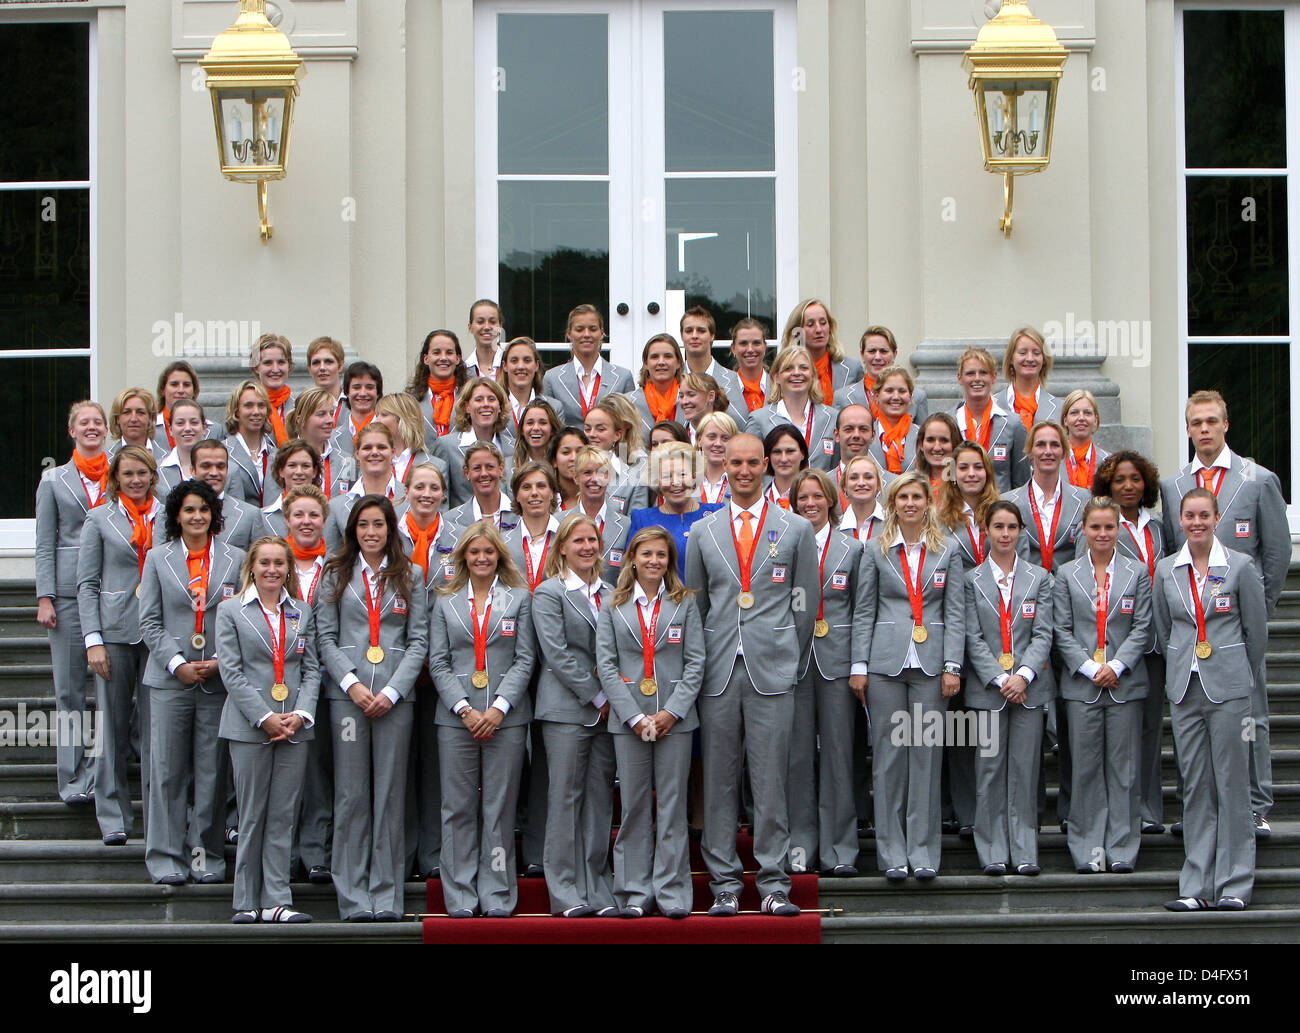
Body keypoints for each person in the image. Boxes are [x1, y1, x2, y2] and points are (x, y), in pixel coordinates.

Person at [683, 433, 819, 917]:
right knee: (719, 781)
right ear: (724, 463)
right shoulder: (703, 531)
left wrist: (787, 655)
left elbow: (804, 606)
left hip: (773, 672)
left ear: (765, 464)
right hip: (718, 673)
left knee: (770, 781)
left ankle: (774, 883)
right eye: (733, 462)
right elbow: (695, 607)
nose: (742, 471)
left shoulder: (796, 529)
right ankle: (724, 883)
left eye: (750, 463)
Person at [1159, 389, 1289, 839]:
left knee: (1251, 717)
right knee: (1194, 722)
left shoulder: (1257, 480)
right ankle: (1201, 809)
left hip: (1235, 625)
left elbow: (1275, 554)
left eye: (1212, 421)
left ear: (1226, 425)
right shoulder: (1174, 486)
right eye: (1196, 423)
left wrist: (1255, 612)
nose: (1205, 430)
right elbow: (1172, 558)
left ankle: (1254, 805)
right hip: (1192, 628)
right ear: (1188, 428)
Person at [317, 496, 428, 921]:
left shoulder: (411, 575)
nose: (370, 533)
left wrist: (394, 692)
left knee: (390, 796)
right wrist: (353, 685)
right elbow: (325, 637)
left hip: (395, 700)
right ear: (352, 531)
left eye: (378, 524)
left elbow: (419, 640)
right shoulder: (335, 573)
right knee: (351, 795)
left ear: (390, 528)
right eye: (362, 525)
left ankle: (386, 896)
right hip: (348, 698)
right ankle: (352, 897)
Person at [1154, 488, 1266, 912]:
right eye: (1189, 516)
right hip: (1185, 688)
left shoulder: (1239, 566)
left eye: (1204, 515)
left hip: (1230, 690)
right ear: (1180, 521)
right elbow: (1166, 633)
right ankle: (1196, 884)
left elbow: (1255, 634)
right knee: (1196, 785)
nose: (1197, 522)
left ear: (1217, 518)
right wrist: (1187, 663)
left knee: (1232, 784)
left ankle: (1235, 883)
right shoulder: (1167, 570)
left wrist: (1236, 673)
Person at [857, 472, 965, 880]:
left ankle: (922, 853)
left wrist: (953, 665)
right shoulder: (875, 550)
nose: (910, 503)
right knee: (888, 760)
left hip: (932, 665)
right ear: (893, 503)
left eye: (917, 496)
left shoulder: (947, 550)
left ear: (928, 501)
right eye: (903, 496)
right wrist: (859, 667)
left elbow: (956, 613)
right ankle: (892, 854)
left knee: (926, 758)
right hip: (885, 664)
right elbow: (864, 610)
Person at [427, 521, 537, 916]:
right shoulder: (444, 601)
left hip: (505, 717)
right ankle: (459, 895)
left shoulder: (519, 599)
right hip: (456, 718)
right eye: (474, 552)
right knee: (456, 807)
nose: (481, 558)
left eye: (488, 552)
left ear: (499, 556)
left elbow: (526, 659)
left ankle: (496, 894)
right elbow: (437, 662)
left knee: (499, 808)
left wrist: (498, 708)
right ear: (462, 557)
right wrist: (465, 709)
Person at [138, 479, 243, 884]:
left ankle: (205, 856)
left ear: (213, 515)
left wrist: (222, 661)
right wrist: (177, 662)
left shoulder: (234, 558)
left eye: (203, 509)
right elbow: (149, 620)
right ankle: (165, 856)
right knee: (167, 771)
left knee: (212, 774)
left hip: (218, 681)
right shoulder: (157, 559)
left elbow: (243, 618)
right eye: (188, 510)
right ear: (176, 516)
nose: (196, 516)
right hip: (170, 682)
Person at [597, 526, 705, 918]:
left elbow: (696, 662)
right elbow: (606, 666)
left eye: (661, 555)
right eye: (647, 554)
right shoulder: (612, 603)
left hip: (675, 719)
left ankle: (673, 892)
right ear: (632, 559)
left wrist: (671, 712)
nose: (654, 561)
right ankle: (633, 892)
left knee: (673, 807)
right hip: (629, 721)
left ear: (670, 561)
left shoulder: (684, 602)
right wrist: (634, 715)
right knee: (634, 806)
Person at [216, 537, 320, 924]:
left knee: (283, 815)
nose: (273, 570)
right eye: (265, 563)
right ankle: (246, 900)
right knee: (252, 815)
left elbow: (311, 669)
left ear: (288, 568)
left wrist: (301, 713)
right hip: (249, 727)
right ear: (252, 568)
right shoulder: (231, 611)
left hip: (294, 727)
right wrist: (264, 716)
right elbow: (231, 670)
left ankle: (277, 899)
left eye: (280, 563)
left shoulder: (302, 611)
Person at [1053, 496, 1152, 874]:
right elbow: (1061, 629)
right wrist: (1089, 667)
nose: (1102, 533)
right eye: (1095, 526)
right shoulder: (1066, 573)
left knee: (1123, 769)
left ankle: (1122, 847)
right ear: (1083, 530)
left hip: (1124, 683)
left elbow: (1143, 627)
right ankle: (1087, 849)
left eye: (1109, 526)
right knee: (1086, 768)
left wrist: (1116, 664)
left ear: (1119, 529)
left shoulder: (1137, 572)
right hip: (1082, 685)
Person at [1003, 420, 1090, 830]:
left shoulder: (1085, 500)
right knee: (1030, 720)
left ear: (1065, 451)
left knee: (1075, 719)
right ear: (1029, 452)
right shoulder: (1011, 501)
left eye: (1056, 444)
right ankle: (1029, 815)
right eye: (1041, 444)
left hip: (1074, 617)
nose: (1049, 451)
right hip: (1026, 619)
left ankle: (1073, 811)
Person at [962, 500, 1055, 876]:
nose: (1004, 534)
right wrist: (1002, 678)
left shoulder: (1040, 578)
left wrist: (1024, 675)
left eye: (1011, 527)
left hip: (1029, 689)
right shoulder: (970, 580)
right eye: (998, 527)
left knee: (1024, 771)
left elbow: (1043, 633)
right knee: (989, 769)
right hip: (989, 690)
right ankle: (992, 850)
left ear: (1020, 532)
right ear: (986, 530)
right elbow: (971, 635)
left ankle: (1024, 849)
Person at [533, 513, 618, 916]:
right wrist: (599, 697)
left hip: (608, 712)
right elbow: (558, 655)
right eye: (578, 540)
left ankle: (597, 888)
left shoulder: (613, 591)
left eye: (592, 540)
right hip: (568, 709)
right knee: (565, 799)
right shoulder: (549, 593)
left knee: (599, 800)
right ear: (562, 547)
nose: (587, 547)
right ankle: (565, 892)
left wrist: (614, 699)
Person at [76, 444, 161, 846]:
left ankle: (156, 814)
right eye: (128, 474)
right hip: (114, 632)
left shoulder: (168, 516)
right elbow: (86, 584)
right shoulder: (98, 519)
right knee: (111, 725)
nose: (136, 480)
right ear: (116, 479)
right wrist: (93, 640)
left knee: (155, 729)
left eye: (142, 472)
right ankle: (113, 815)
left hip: (158, 634)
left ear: (152, 475)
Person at [789, 468, 869, 875]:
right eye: (802, 498)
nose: (810, 505)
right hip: (795, 664)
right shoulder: (784, 545)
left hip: (838, 663)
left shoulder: (852, 549)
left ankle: (841, 851)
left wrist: (859, 664)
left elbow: (863, 610)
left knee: (839, 756)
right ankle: (801, 849)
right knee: (798, 758)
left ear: (831, 501)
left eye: (817, 497)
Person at [36, 400, 110, 804]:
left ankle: (102, 773)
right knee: (69, 691)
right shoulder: (53, 480)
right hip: (65, 595)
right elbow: (45, 543)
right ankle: (72, 778)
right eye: (84, 422)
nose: (92, 428)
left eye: (98, 422)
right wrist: (44, 597)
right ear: (72, 431)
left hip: (108, 591)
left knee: (107, 691)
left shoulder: (120, 474)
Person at [1097, 450, 1169, 834]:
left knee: (1150, 729)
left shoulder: (1157, 528)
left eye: (1135, 479)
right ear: (1108, 485)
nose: (1128, 486)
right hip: (1114, 645)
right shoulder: (1102, 525)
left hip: (1156, 642)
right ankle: (1113, 811)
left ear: (1147, 484)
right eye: (1120, 480)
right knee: (1114, 735)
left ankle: (1149, 809)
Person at [505, 462, 562, 876]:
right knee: (509, 757)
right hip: (508, 659)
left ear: (553, 494)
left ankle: (541, 851)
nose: (536, 493)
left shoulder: (570, 538)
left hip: (557, 662)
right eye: (528, 487)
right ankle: (505, 846)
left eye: (543, 486)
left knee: (546, 760)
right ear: (517, 495)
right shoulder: (502, 542)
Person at [280, 484, 334, 885]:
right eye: (299, 515)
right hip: (280, 682)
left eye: (313, 515)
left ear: (324, 520)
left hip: (328, 682)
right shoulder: (270, 563)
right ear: (286, 519)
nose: (306, 522)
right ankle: (283, 854)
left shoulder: (336, 567)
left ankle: (315, 852)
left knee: (317, 773)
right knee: (283, 774)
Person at [629, 441, 725, 577]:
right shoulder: (643, 519)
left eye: (682, 474)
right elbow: (631, 569)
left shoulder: (718, 513)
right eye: (667, 476)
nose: (676, 482)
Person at [746, 345, 838, 471]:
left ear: (813, 376)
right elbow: (749, 466)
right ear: (776, 377)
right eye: (788, 368)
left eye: (804, 368)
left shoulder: (833, 418)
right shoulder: (759, 420)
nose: (796, 373)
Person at [948, 347, 1028, 492]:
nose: (977, 378)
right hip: (958, 509)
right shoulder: (949, 422)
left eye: (983, 373)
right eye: (970, 373)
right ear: (960, 378)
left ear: (994, 377)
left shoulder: (1012, 424)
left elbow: (1021, 483)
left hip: (998, 509)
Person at [541, 304, 636, 425]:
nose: (586, 334)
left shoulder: (623, 377)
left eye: (592, 329)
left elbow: (630, 426)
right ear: (569, 333)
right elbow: (546, 424)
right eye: (579, 329)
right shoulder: (552, 378)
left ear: (602, 333)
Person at [433, 377, 514, 508]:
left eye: (491, 399)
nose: (486, 404)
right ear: (467, 407)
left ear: (500, 407)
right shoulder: (447, 446)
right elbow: (441, 497)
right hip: (464, 525)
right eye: (479, 399)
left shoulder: (514, 447)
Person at [325, 423, 405, 552]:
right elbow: (332, 557)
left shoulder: (410, 499)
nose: (374, 452)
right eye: (367, 448)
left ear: (393, 452)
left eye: (381, 447)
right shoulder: (336, 507)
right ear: (357, 454)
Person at [779, 298, 862, 408]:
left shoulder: (852, 368)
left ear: (830, 327)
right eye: (810, 324)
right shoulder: (785, 371)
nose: (819, 329)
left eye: (823, 323)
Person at [844, 324, 928, 421]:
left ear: (894, 354)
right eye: (872, 351)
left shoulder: (917, 396)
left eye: (883, 351)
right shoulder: (843, 397)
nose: (878, 357)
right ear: (862, 355)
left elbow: (921, 434)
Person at [938, 441, 1000, 571]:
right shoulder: (939, 520)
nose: (971, 473)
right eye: (963, 468)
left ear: (987, 472)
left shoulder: (1002, 513)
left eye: (978, 467)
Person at [573, 446, 631, 584]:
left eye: (601, 472)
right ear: (576, 477)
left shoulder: (626, 524)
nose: (595, 479)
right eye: (587, 473)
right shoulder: (560, 521)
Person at [192, 439, 259, 551]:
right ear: (192, 470)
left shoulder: (251, 515)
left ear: (227, 470)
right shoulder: (176, 511)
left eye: (220, 466)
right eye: (206, 466)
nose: (214, 473)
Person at [583, 399, 647, 514]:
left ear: (618, 434)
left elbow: (637, 525)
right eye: (587, 429)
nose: (592, 434)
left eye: (601, 429)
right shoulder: (572, 468)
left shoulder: (635, 478)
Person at [407, 329, 468, 449]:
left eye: (449, 352)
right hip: (423, 465)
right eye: (436, 352)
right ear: (426, 359)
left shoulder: (470, 397)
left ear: (457, 358)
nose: (443, 358)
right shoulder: (410, 401)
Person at [444, 441, 516, 540]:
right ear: (467, 472)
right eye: (477, 468)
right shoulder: (450, 520)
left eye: (490, 467)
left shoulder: (522, 514)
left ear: (501, 469)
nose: (484, 473)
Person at [497, 337, 565, 439]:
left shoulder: (554, 407)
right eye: (514, 360)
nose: (520, 366)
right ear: (505, 366)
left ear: (536, 365)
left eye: (527, 360)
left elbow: (558, 447)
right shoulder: (495, 406)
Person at [222, 380, 276, 507]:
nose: (256, 411)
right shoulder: (223, 452)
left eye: (261, 405)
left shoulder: (277, 453)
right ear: (236, 411)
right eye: (248, 405)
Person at [287, 386, 347, 497]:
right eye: (321, 414)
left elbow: (350, 504)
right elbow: (273, 507)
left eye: (331, 414)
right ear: (301, 420)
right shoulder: (282, 458)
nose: (330, 420)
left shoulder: (347, 461)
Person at [377, 391, 445, 489]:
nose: (377, 421)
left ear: (403, 418)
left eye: (384, 414)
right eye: (377, 415)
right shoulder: (372, 462)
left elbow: (440, 502)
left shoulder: (437, 465)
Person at [681, 305, 744, 405]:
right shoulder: (673, 379)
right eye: (688, 331)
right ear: (682, 336)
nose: (694, 336)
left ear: (712, 336)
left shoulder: (735, 380)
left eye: (701, 331)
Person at [1002, 326, 1062, 430]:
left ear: (1044, 359)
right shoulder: (995, 404)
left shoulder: (1060, 408)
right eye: (1023, 353)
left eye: (1036, 353)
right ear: (1011, 358)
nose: (1030, 358)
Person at [258, 440, 322, 536]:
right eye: (292, 465)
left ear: (314, 472)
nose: (299, 472)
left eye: (305, 466)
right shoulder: (261, 517)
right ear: (281, 471)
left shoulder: (328, 514)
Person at [630, 333, 685, 440]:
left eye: (668, 356)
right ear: (646, 363)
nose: (661, 362)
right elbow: (623, 446)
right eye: (654, 357)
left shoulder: (692, 401)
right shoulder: (629, 403)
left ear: (678, 362)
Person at [154, 361, 218, 450]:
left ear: (194, 390)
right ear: (162, 389)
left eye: (186, 385)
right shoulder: (149, 428)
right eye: (174, 384)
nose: (181, 390)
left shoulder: (215, 431)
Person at [868, 366, 920, 477]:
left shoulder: (923, 435)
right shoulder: (865, 436)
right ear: (877, 396)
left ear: (910, 396)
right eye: (889, 390)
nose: (896, 397)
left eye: (902, 391)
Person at [329, 361, 384, 459]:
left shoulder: (388, 434)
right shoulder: (330, 438)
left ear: (378, 393)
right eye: (356, 387)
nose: (363, 393)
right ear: (347, 392)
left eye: (369, 387)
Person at [831, 404, 880, 509]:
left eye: (863, 429)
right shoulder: (822, 484)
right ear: (836, 435)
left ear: (873, 435)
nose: (856, 435)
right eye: (849, 429)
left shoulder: (892, 484)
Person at [156, 399, 208, 496]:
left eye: (194, 422)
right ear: (171, 429)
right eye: (180, 423)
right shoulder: (156, 471)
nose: (187, 428)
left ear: (204, 428)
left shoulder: (229, 470)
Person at [251, 333, 294, 446]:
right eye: (268, 363)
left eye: (281, 362)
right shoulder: (245, 408)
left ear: (289, 365)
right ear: (256, 367)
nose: (275, 369)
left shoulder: (300, 408)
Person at [1062, 389, 1109, 490]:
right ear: (1065, 420)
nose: (1081, 418)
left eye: (1087, 413)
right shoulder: (1053, 460)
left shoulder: (1108, 462)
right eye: (1074, 413)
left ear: (1096, 420)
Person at [106, 387, 164, 463]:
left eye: (140, 412)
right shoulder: (104, 460)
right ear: (117, 419)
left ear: (150, 417)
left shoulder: (168, 459)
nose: (133, 419)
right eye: (127, 412)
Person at [838, 455, 886, 540]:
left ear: (878, 484)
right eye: (854, 478)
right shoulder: (833, 527)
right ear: (844, 485)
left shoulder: (895, 524)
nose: (861, 483)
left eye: (868, 477)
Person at [761, 424, 809, 511]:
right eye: (777, 452)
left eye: (790, 451)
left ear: (802, 454)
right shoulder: (759, 499)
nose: (783, 459)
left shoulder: (815, 499)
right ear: (768, 457)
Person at [730, 317, 772, 413]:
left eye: (756, 343)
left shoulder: (780, 388)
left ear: (764, 347)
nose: (750, 349)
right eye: (743, 343)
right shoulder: (723, 391)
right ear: (733, 348)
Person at [695, 411, 738, 505]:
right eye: (711, 437)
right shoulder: (686, 479)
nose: (718, 443)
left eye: (725, 438)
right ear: (699, 440)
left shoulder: (741, 480)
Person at [913, 412, 961, 495]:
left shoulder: (965, 484)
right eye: (930, 440)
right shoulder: (911, 485)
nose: (937, 448)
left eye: (944, 440)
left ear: (955, 443)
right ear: (921, 444)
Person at [677, 372, 730, 444]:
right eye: (681, 396)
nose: (684, 402)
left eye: (691, 395)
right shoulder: (675, 438)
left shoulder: (733, 438)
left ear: (711, 396)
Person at [548, 427, 589, 515]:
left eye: (580, 451)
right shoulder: (545, 500)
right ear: (554, 461)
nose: (574, 458)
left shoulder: (599, 498)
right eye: (566, 452)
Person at [305, 335, 347, 421]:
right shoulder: (303, 405)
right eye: (316, 362)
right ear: (309, 368)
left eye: (328, 362)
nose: (322, 368)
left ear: (340, 366)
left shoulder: (354, 403)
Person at [464, 298, 505, 380]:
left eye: (492, 322)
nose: (486, 327)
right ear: (470, 327)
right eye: (480, 321)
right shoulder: (462, 371)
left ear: (500, 327)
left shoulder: (511, 366)